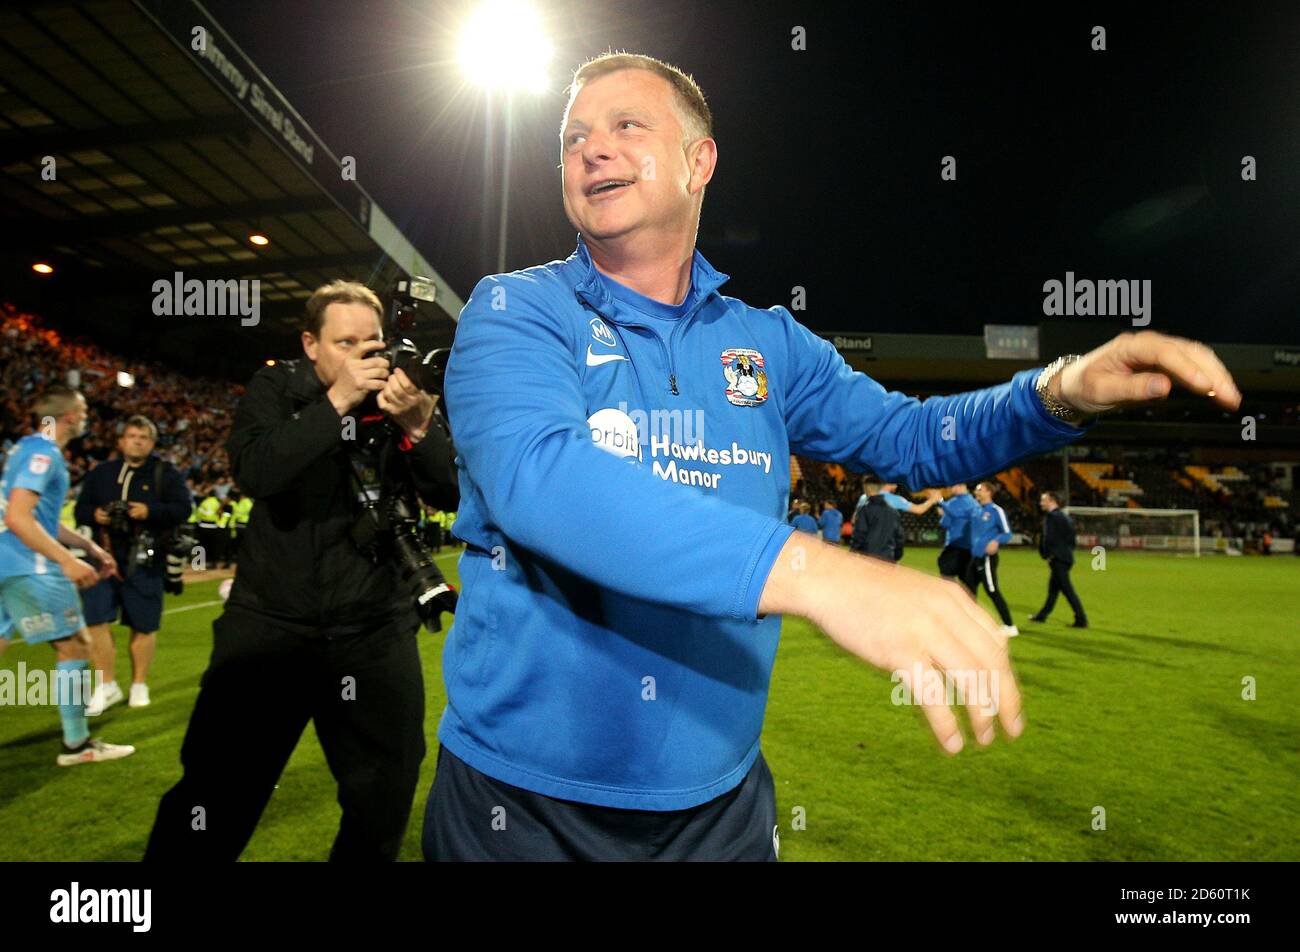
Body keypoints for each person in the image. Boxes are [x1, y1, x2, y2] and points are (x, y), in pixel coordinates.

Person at [424, 51, 1241, 862]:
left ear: (698, 160)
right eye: (571, 139)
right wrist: (821, 575)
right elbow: (542, 477)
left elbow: (914, 439)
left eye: (625, 126)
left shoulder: (769, 342)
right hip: (522, 810)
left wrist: (1065, 389)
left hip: (722, 809)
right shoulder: (516, 309)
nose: (590, 149)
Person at [145, 280, 459, 862]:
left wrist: (420, 427)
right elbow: (259, 471)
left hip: (373, 630)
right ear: (311, 345)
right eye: (346, 343)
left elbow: (450, 494)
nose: (365, 355)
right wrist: (335, 403)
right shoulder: (275, 386)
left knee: (384, 796)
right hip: (271, 629)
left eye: (374, 341)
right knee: (216, 794)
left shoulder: (397, 402)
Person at [0, 386, 133, 765]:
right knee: (75, 645)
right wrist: (66, 561)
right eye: (85, 409)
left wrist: (89, 548)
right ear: (71, 415)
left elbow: (38, 519)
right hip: (30, 565)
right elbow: (18, 518)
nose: (88, 416)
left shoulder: (23, 448)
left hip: (5, 561)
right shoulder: (43, 453)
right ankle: (77, 745)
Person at [76, 415, 191, 713]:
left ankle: (139, 684)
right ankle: (107, 685)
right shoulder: (102, 473)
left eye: (143, 436)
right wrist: (96, 515)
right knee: (95, 619)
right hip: (103, 557)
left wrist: (149, 511)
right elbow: (80, 509)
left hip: (146, 558)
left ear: (152, 443)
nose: (137, 440)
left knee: (144, 623)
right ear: (121, 441)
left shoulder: (166, 473)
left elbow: (183, 509)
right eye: (131, 435)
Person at [1029, 491, 1087, 628]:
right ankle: (1042, 616)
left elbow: (1048, 538)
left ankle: (1081, 619)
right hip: (1064, 557)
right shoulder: (1064, 517)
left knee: (1067, 590)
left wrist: (1049, 554)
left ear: (1052, 501)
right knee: (1053, 590)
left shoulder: (1052, 517)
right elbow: (1072, 539)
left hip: (1058, 559)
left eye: (1043, 500)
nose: (1040, 503)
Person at [965, 481, 1017, 637]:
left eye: (979, 490)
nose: (976, 492)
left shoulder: (996, 511)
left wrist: (996, 541)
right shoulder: (975, 510)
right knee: (968, 590)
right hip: (975, 557)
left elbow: (1007, 533)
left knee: (992, 590)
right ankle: (969, 623)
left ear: (988, 492)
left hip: (987, 558)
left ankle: (1009, 625)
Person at [936, 483, 978, 587]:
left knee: (950, 576)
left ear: (961, 486)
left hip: (960, 545)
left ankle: (957, 599)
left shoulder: (960, 502)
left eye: (952, 485)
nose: (950, 488)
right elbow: (945, 522)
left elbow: (949, 519)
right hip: (961, 546)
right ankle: (964, 600)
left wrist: (941, 503)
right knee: (962, 579)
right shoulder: (971, 503)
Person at [850, 481, 904, 561]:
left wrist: (853, 551)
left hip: (868, 558)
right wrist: (896, 556)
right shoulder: (893, 512)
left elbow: (860, 533)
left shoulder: (865, 510)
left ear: (868, 489)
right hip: (887, 558)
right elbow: (899, 537)